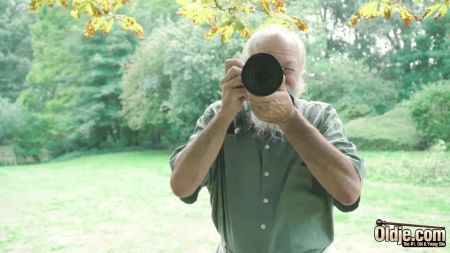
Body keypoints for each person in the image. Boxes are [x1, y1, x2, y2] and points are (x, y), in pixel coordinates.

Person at [169, 25, 364, 253]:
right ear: (244, 69)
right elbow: (182, 186)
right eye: (266, 66)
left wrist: (290, 119)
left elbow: (349, 192)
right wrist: (225, 114)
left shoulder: (320, 118)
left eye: (287, 68)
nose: (278, 77)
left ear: (301, 73)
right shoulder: (219, 116)